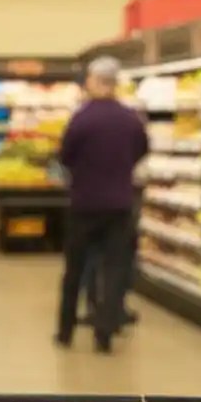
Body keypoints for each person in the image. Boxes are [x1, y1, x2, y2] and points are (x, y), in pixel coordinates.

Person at [55, 56, 149, 353]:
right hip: (120, 205)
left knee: (75, 268)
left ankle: (65, 330)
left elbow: (65, 156)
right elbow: (141, 150)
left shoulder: (82, 118)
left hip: (84, 203)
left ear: (93, 81)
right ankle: (104, 332)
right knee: (114, 269)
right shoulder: (130, 119)